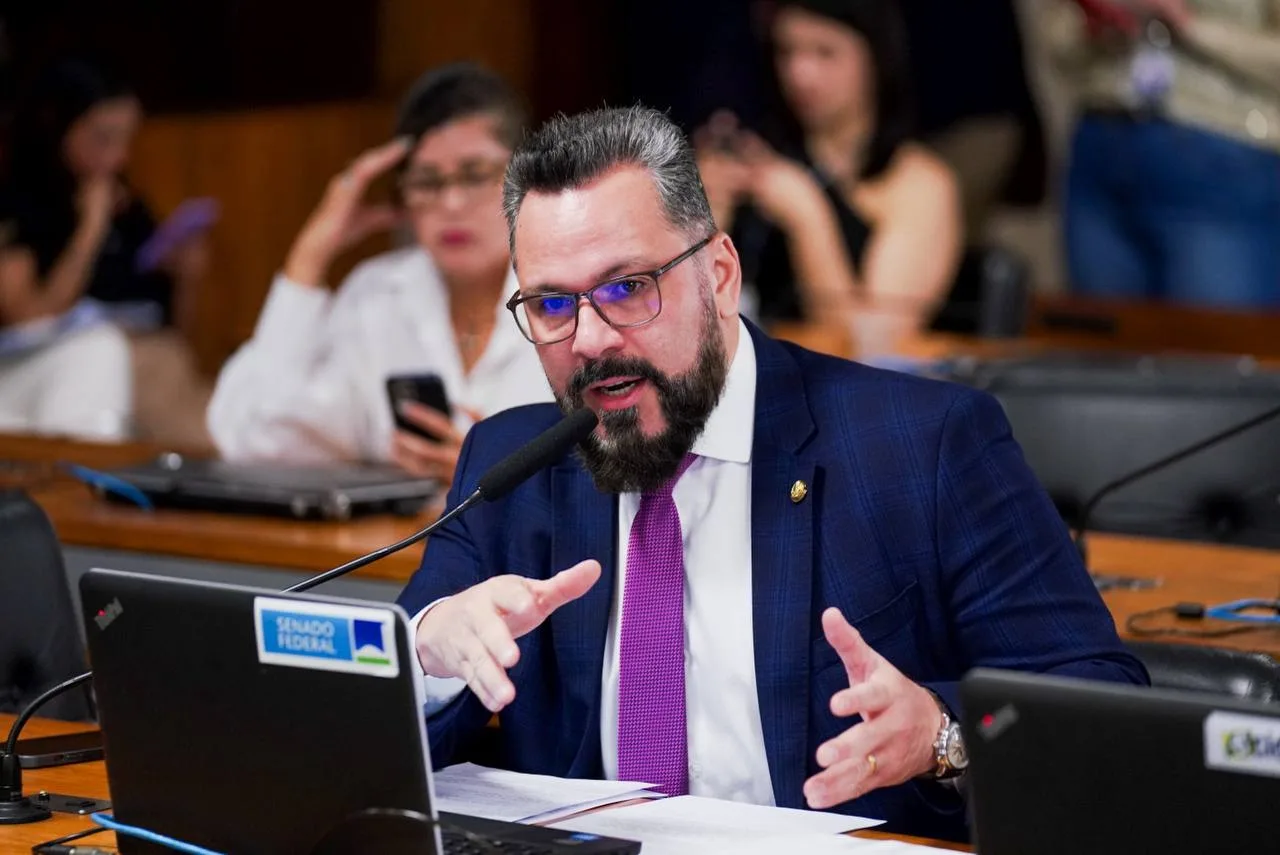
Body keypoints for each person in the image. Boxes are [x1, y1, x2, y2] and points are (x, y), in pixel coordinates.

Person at [397, 105, 1148, 841]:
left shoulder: (922, 445)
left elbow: (1100, 702)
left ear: (720, 275)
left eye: (628, 288)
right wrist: (429, 654)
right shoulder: (508, 470)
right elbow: (383, 744)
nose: (589, 339)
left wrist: (940, 734)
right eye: (553, 304)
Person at [207, 64, 552, 485]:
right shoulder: (377, 296)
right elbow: (256, 440)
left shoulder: (571, 293)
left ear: (526, 176)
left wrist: (491, 476)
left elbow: (613, 478)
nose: (452, 202)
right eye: (426, 182)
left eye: (475, 174)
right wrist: (309, 257)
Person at [696, 0, 962, 358]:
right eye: (787, 52)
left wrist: (807, 214)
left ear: (876, 56)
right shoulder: (759, 156)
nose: (800, 74)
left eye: (826, 52)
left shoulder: (919, 183)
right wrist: (704, 212)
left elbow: (873, 349)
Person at [0, 58, 204, 441]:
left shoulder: (131, 209)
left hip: (157, 366)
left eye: (127, 140)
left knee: (173, 369)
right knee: (121, 357)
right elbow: (28, 320)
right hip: (49, 368)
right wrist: (90, 230)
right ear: (59, 127)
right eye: (103, 138)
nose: (119, 156)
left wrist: (187, 278)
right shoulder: (22, 206)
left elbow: (176, 335)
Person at [1051, 0, 1280, 308]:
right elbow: (1057, 44)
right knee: (1102, 331)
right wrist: (1098, 22)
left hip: (1223, 155)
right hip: (1101, 139)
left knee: (1219, 334)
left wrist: (1185, 24)